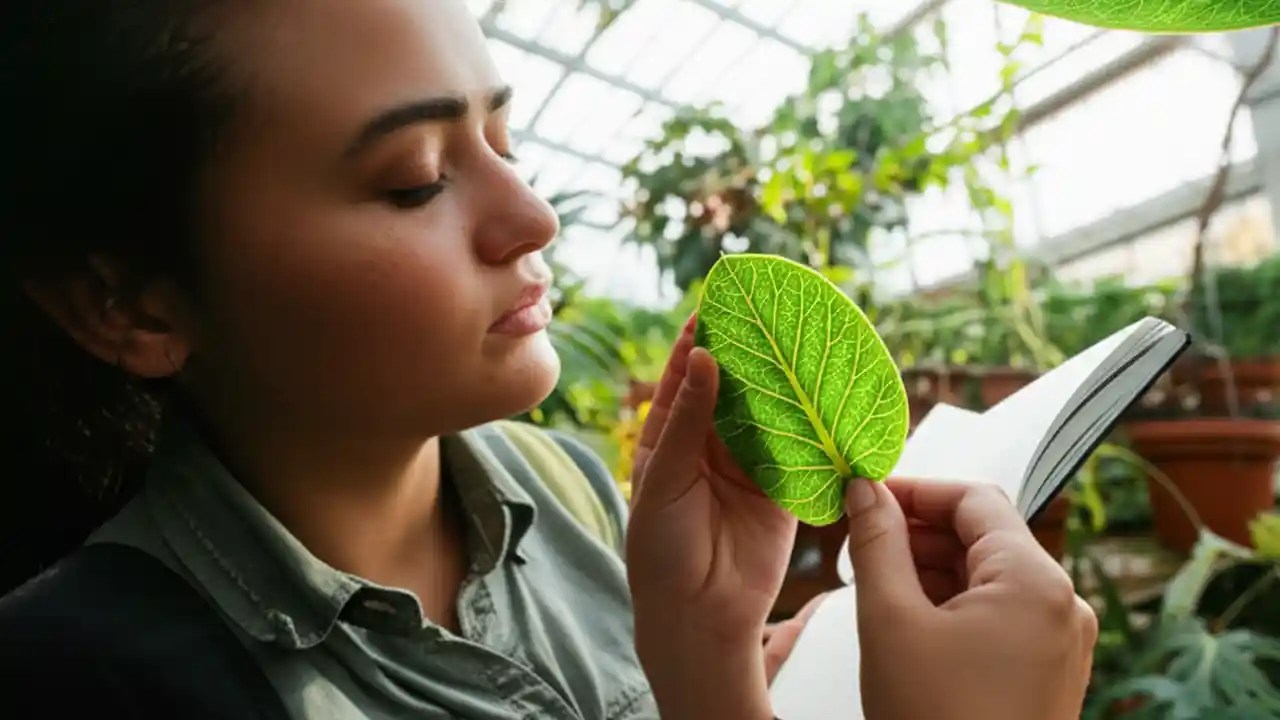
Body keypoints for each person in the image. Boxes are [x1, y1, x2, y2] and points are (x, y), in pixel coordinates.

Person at [0, 1, 1096, 718]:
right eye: (415, 181)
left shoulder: (567, 486)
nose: (531, 216)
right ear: (127, 302)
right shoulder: (83, 678)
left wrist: (714, 662)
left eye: (504, 141)